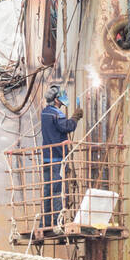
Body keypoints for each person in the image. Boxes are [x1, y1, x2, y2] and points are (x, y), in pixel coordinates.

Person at [40, 85, 82, 231]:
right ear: (56, 99)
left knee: (47, 191)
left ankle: (45, 224)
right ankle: (57, 224)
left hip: (46, 159)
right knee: (58, 191)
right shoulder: (56, 114)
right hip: (57, 158)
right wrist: (76, 117)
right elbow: (66, 127)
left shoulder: (45, 112)